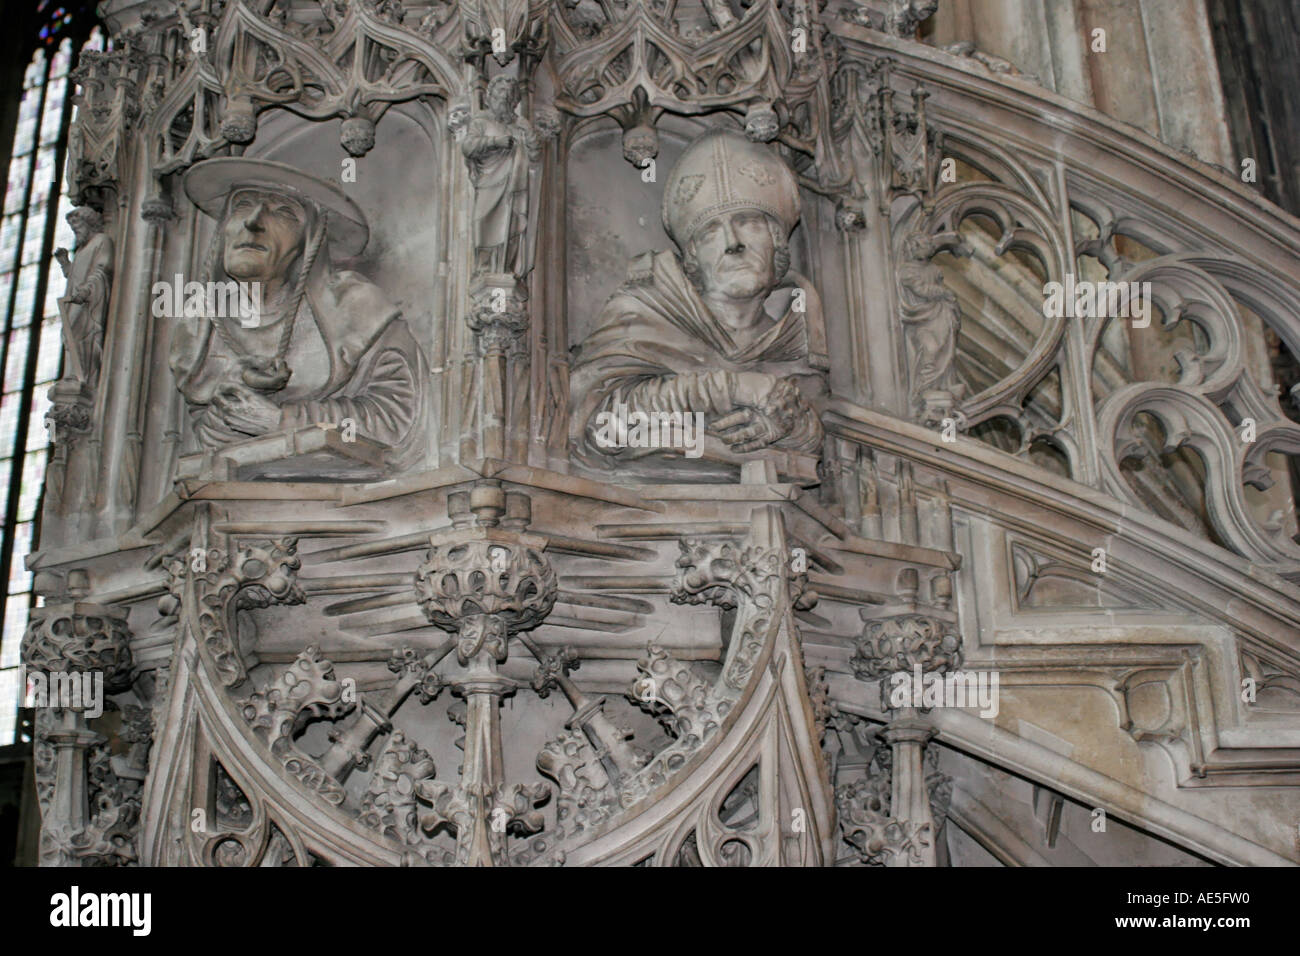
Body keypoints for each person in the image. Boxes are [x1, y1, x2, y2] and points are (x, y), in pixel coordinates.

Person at [569, 127, 827, 473]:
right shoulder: (643, 312)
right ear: (692, 259)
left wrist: (792, 425)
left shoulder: (797, 336)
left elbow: (824, 447)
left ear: (777, 241)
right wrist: (731, 387)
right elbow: (597, 427)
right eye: (710, 232)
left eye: (748, 222)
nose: (732, 243)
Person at [169, 158, 427, 471]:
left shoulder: (357, 309)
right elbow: (207, 434)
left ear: (309, 242)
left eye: (283, 213)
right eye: (243, 205)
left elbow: (398, 417)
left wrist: (282, 420)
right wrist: (236, 400)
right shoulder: (200, 328)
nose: (253, 222)